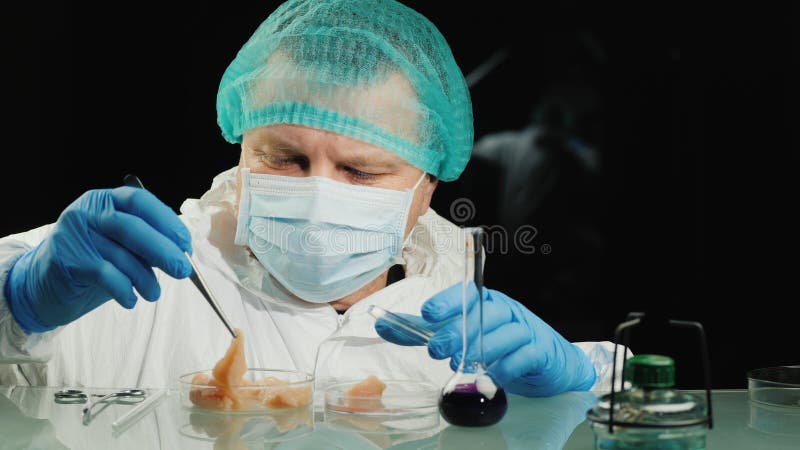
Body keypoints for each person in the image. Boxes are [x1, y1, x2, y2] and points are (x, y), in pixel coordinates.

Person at [0, 0, 621, 398]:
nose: (317, 191)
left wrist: (578, 390)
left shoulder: (463, 330)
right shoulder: (118, 274)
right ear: (242, 146)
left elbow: (663, 408)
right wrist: (20, 300)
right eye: (284, 158)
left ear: (429, 183)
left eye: (362, 171)